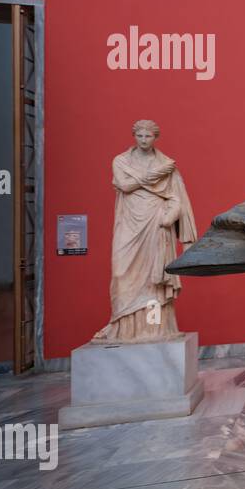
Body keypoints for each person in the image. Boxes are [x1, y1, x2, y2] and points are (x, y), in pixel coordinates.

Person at [93, 119, 197, 342]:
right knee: (122, 274)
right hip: (129, 224)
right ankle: (121, 326)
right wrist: (156, 174)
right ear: (134, 136)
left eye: (148, 136)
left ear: (155, 138)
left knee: (154, 282)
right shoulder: (122, 161)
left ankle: (154, 329)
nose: (143, 140)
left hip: (156, 222)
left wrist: (169, 217)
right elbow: (125, 185)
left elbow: (178, 199)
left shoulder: (167, 164)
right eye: (139, 136)